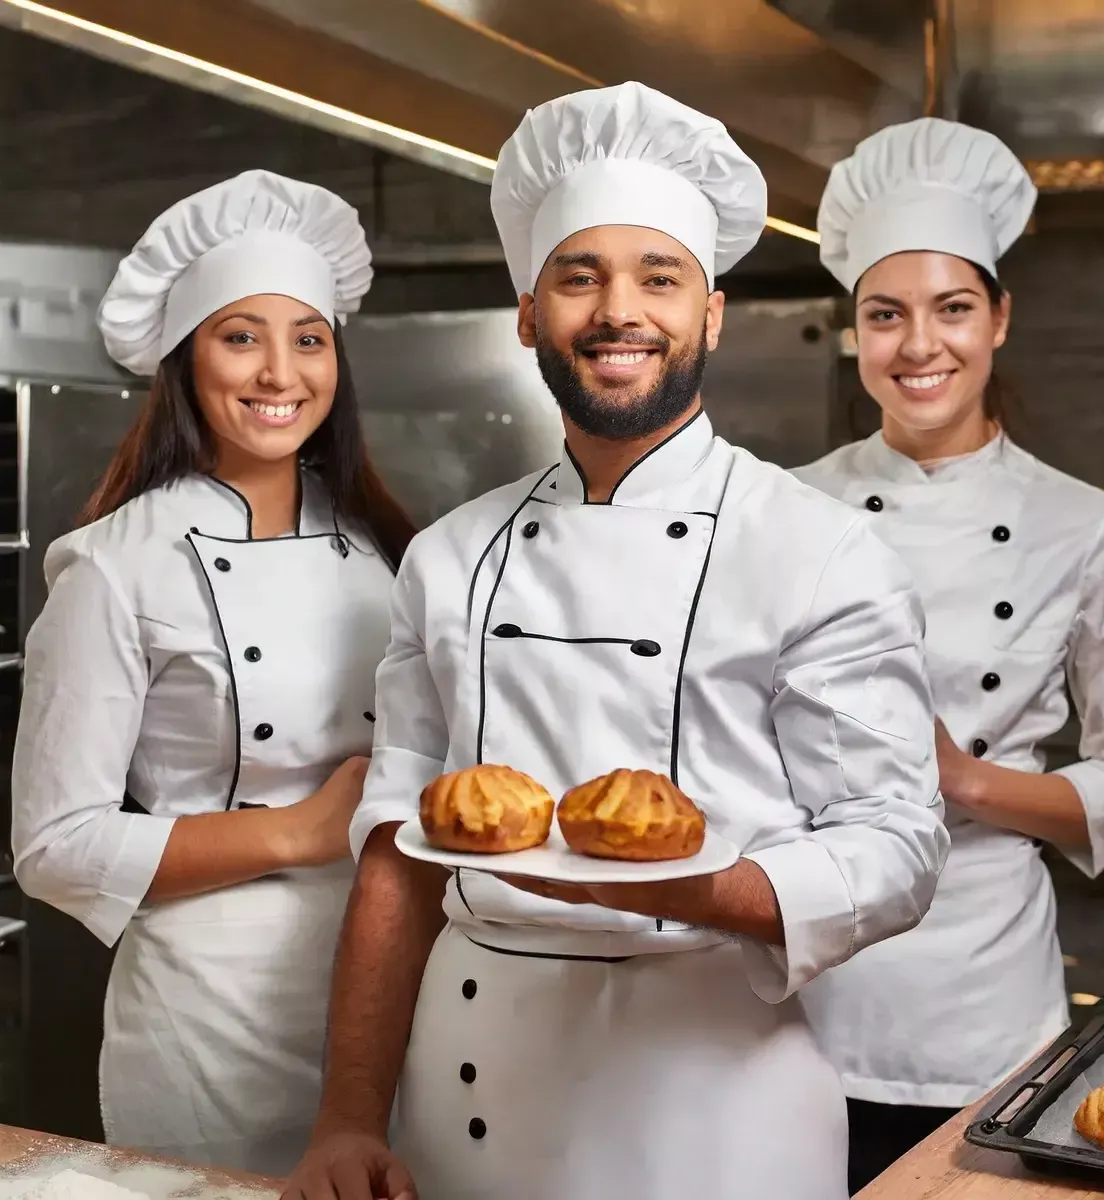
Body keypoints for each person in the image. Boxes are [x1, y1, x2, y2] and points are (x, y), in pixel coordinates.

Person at [282, 82, 949, 1200]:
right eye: (579, 276)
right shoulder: (449, 556)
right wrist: (346, 1115)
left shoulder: (821, 550)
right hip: (469, 1090)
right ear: (529, 315)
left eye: (659, 277)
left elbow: (896, 847)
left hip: (714, 1099)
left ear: (714, 313)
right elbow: (397, 848)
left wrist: (676, 887)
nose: (617, 311)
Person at [791, 117, 1104, 1191]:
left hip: (981, 992)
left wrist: (964, 778)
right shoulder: (783, 509)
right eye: (886, 315)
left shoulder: (1084, 525)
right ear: (855, 329)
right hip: (797, 976)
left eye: (952, 308)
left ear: (999, 319)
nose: (921, 346)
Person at [11, 169, 416, 1176]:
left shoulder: (384, 547)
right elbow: (55, 845)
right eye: (241, 337)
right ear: (187, 361)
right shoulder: (116, 564)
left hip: (395, 985)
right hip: (211, 1012)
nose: (280, 373)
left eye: (308, 339)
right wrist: (299, 829)